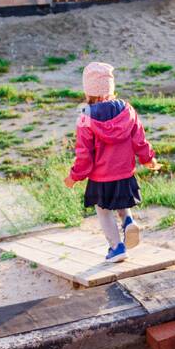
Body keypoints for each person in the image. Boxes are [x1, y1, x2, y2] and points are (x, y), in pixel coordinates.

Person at [63, 61, 161, 262]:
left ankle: (116, 248)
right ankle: (128, 220)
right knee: (120, 199)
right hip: (124, 172)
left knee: (104, 210)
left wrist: (74, 176)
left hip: (101, 176)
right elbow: (139, 139)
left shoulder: (85, 118)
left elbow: (84, 155)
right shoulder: (128, 109)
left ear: (88, 91)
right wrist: (148, 158)